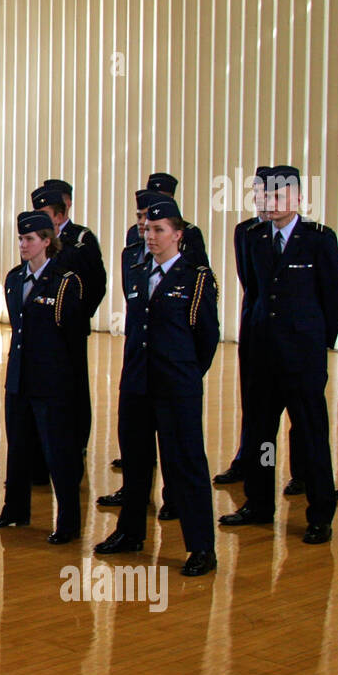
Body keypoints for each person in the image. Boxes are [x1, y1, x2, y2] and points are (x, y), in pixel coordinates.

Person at [219, 166, 338, 544]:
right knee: (261, 434)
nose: (268, 202)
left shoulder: (318, 239)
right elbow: (254, 290)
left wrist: (315, 338)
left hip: (302, 356)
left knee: (311, 434)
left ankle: (320, 512)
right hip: (263, 353)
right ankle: (259, 503)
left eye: (277, 196)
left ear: (296, 199)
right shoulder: (253, 236)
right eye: (263, 195)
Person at [94, 196, 220, 576]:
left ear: (178, 235)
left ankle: (201, 547)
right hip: (136, 381)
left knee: (185, 465)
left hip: (176, 385)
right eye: (146, 228)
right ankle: (130, 532)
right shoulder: (134, 268)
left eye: (159, 229)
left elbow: (207, 337)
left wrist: (184, 373)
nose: (150, 235)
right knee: (135, 462)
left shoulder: (196, 277)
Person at [0, 210, 84, 541]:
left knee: (58, 453)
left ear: (47, 241)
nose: (23, 245)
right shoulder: (15, 279)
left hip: (51, 381)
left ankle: (68, 522)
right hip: (19, 378)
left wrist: (67, 386)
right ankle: (16, 510)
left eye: (29, 239)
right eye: (20, 239)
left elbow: (72, 338)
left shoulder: (65, 281)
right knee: (18, 447)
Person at [213, 167, 304, 490]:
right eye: (259, 193)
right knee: (256, 407)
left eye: (271, 193)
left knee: (300, 410)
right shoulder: (247, 232)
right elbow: (251, 284)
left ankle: (302, 471)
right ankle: (248, 460)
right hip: (257, 330)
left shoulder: (310, 236)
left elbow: (333, 294)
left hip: (295, 339)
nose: (264, 200)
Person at [37, 178, 107, 457]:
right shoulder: (39, 238)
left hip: (72, 327)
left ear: (61, 212)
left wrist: (79, 316)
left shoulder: (80, 239)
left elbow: (96, 283)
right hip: (44, 328)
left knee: (75, 385)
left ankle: (77, 441)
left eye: (44, 215)